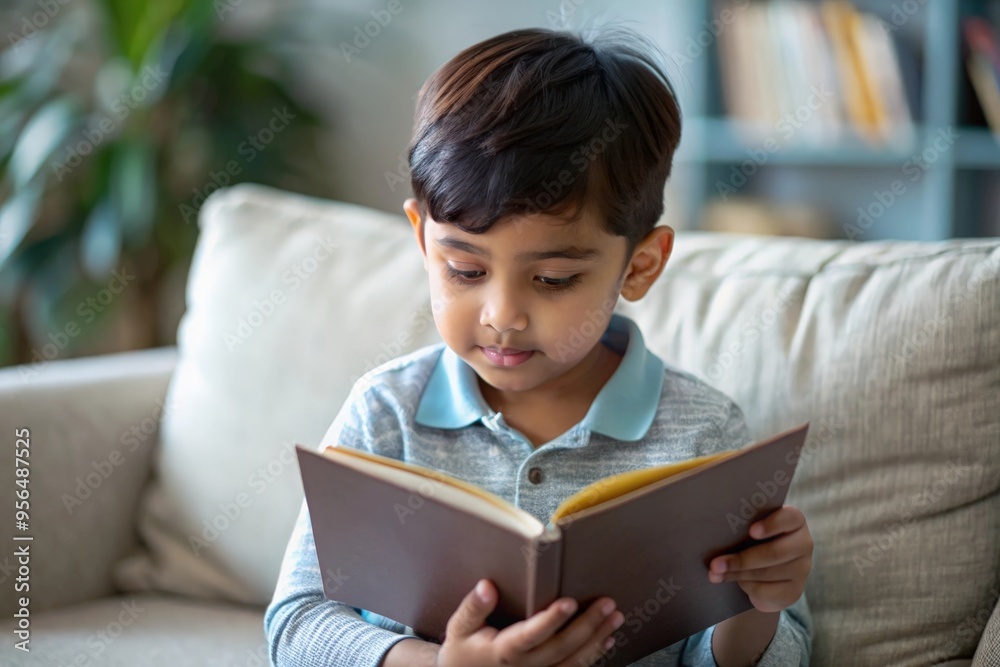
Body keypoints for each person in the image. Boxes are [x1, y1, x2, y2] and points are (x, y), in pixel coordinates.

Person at [265, 25, 812, 667]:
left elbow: (779, 656)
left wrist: (759, 605)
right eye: (465, 271)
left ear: (639, 266)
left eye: (553, 280)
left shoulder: (702, 433)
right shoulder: (384, 414)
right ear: (421, 239)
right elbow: (296, 624)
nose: (502, 317)